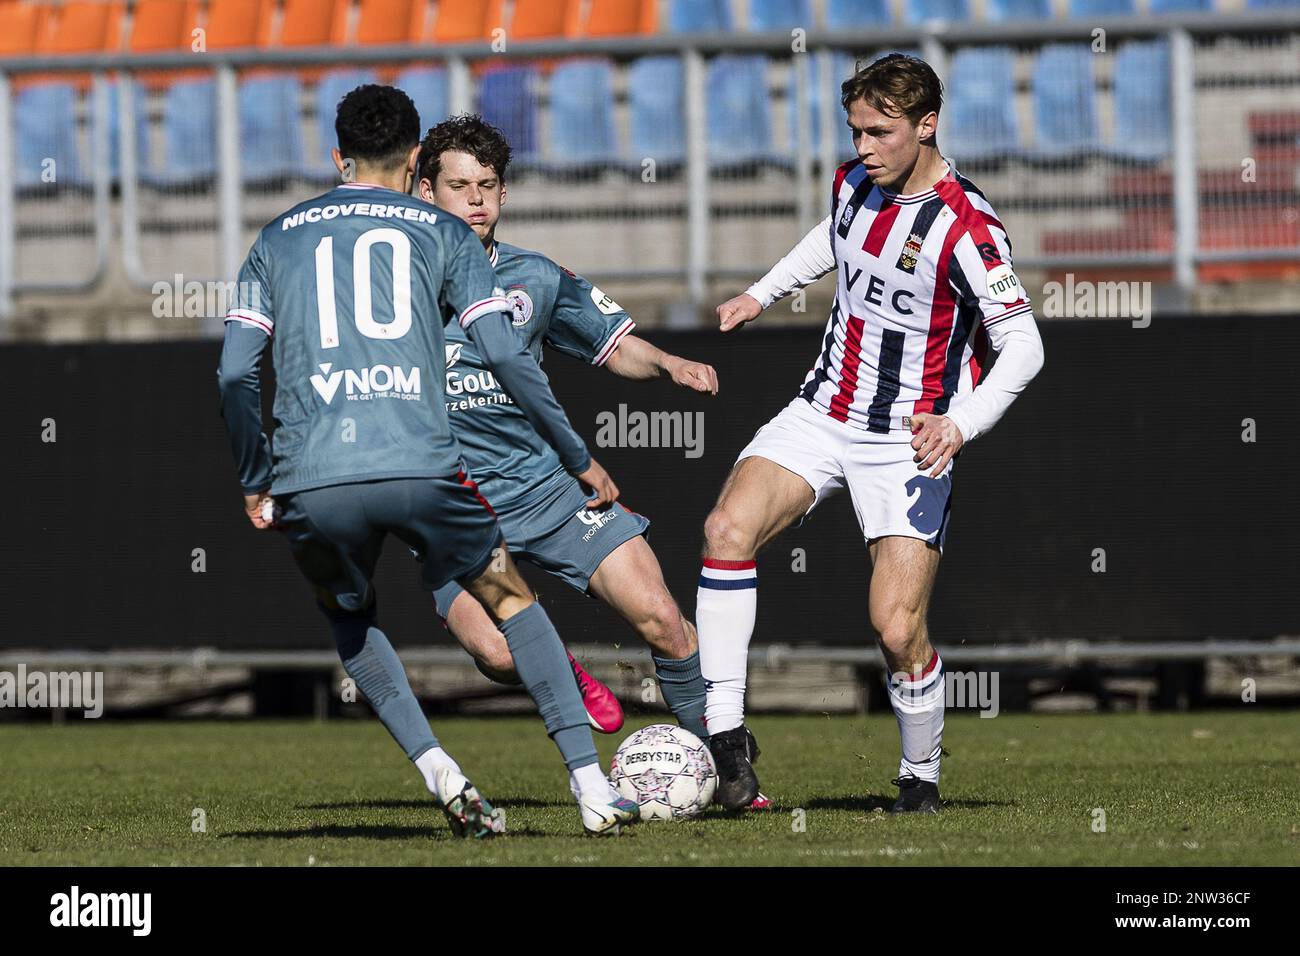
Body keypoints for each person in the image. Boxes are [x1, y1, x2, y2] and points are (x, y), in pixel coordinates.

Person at [217, 85, 639, 836]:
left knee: (350, 618)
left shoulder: (275, 237)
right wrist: (575, 455)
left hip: (313, 477)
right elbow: (507, 358)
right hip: (424, 467)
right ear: (416, 160)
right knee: (511, 600)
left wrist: (256, 478)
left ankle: (441, 773)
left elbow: (233, 373)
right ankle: (592, 790)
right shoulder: (439, 232)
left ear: (336, 157)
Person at [698, 54, 1045, 813]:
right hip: (824, 408)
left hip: (906, 436)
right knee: (727, 527)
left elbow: (1025, 346)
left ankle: (920, 778)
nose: (863, 148)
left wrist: (960, 423)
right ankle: (726, 739)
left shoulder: (968, 227)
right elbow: (836, 235)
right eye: (855, 130)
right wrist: (763, 293)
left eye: (880, 133)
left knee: (894, 627)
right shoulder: (856, 181)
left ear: (927, 126)